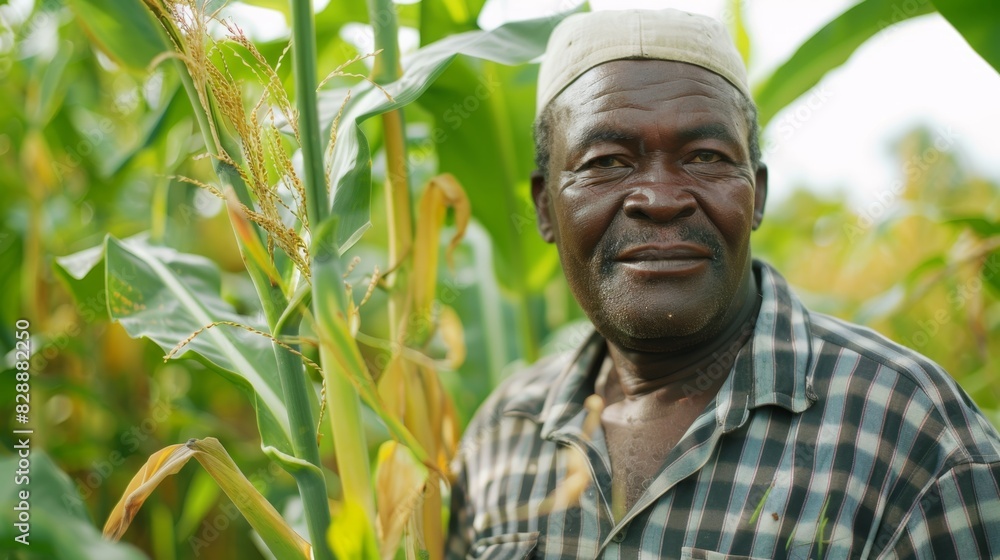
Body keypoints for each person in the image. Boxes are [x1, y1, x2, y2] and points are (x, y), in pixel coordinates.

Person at [445, 8, 1000, 559]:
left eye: (705, 157)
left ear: (755, 194)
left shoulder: (908, 429)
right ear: (545, 206)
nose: (660, 199)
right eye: (608, 161)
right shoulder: (502, 434)